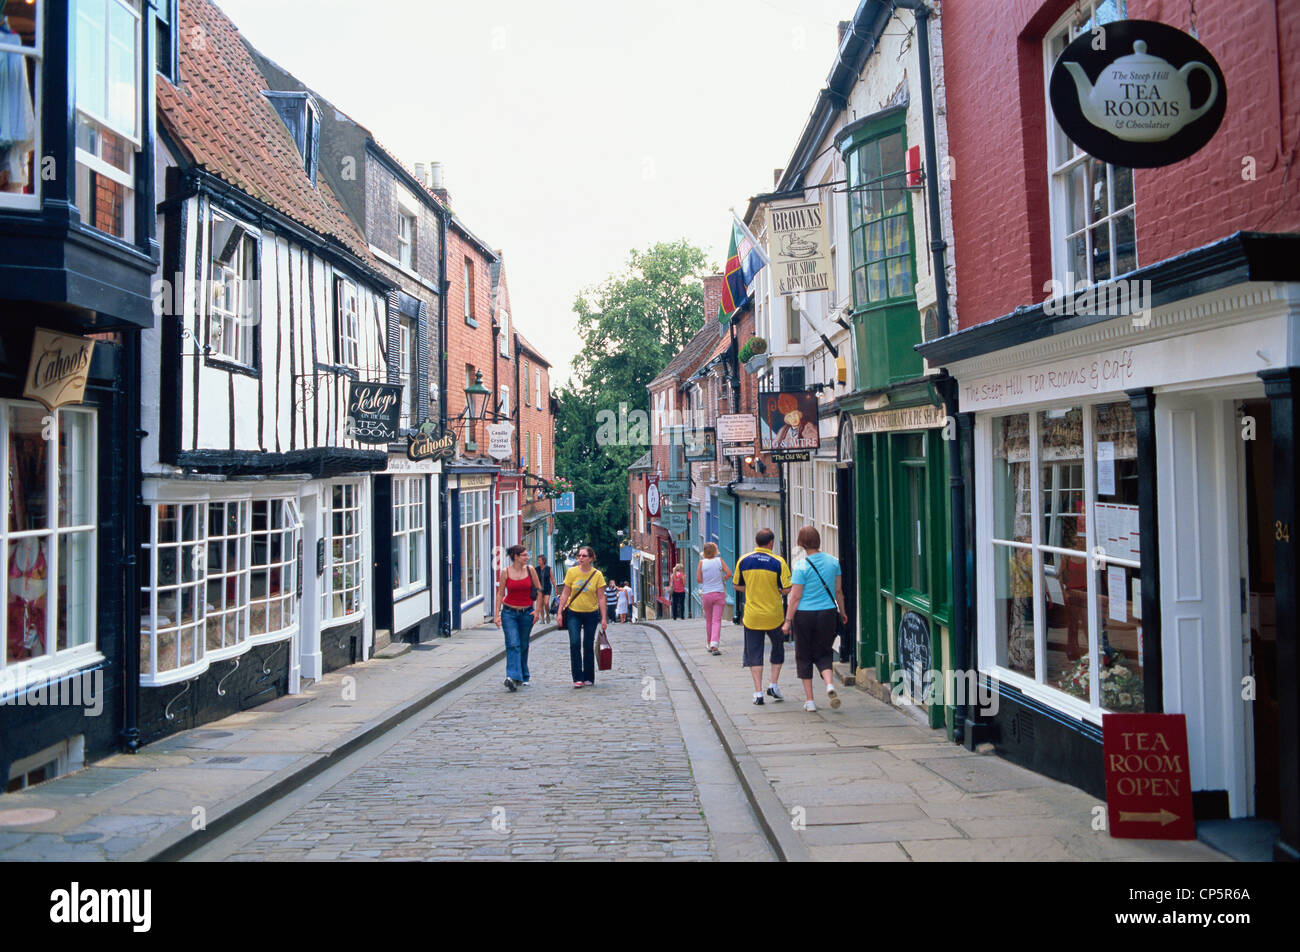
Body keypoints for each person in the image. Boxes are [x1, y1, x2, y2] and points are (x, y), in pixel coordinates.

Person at [782, 526, 848, 712]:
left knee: (804, 655)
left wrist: (787, 621)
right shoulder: (833, 563)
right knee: (824, 652)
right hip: (827, 613)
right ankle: (829, 685)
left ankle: (810, 701)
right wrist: (842, 612)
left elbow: (794, 598)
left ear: (801, 542)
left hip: (804, 615)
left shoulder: (801, 566)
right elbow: (838, 592)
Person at [733, 528, 791, 705]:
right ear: (771, 543)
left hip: (752, 616)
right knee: (777, 648)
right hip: (774, 615)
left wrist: (750, 588)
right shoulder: (778, 562)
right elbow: (786, 589)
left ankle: (758, 692)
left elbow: (736, 585)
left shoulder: (743, 561)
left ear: (756, 542)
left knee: (755, 653)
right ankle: (773, 684)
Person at [556, 546, 608, 688]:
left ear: (591, 558)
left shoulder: (597, 575)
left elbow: (601, 597)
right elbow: (565, 593)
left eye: (584, 556)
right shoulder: (572, 572)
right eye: (579, 555)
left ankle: (589, 677)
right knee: (574, 643)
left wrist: (604, 618)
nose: (580, 558)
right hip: (574, 613)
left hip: (591, 613)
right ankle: (577, 677)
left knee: (588, 645)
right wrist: (559, 612)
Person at [494, 544, 542, 692]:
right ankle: (512, 676)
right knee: (513, 643)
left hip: (526, 612)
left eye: (527, 555)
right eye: (524, 555)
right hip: (509, 612)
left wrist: (537, 611)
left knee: (523, 644)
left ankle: (523, 675)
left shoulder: (531, 570)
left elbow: (539, 590)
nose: (527, 557)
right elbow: (501, 593)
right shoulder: (505, 572)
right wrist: (496, 614)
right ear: (516, 557)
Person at [697, 541, 731, 655]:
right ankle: (714, 644)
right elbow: (729, 573)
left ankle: (708, 643)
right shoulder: (719, 561)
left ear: (704, 552)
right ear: (715, 551)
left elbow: (698, 579)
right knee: (717, 620)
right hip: (719, 593)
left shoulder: (701, 563)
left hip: (707, 594)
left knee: (709, 620)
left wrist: (707, 581)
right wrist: (722, 579)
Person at [535, 554, 554, 624]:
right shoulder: (536, 569)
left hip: (547, 588)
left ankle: (547, 615)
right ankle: (542, 619)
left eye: (539, 560)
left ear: (543, 561)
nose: (538, 562)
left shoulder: (549, 568)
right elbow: (534, 579)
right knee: (540, 605)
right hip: (539, 589)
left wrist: (555, 587)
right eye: (538, 560)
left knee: (546, 603)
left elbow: (552, 579)